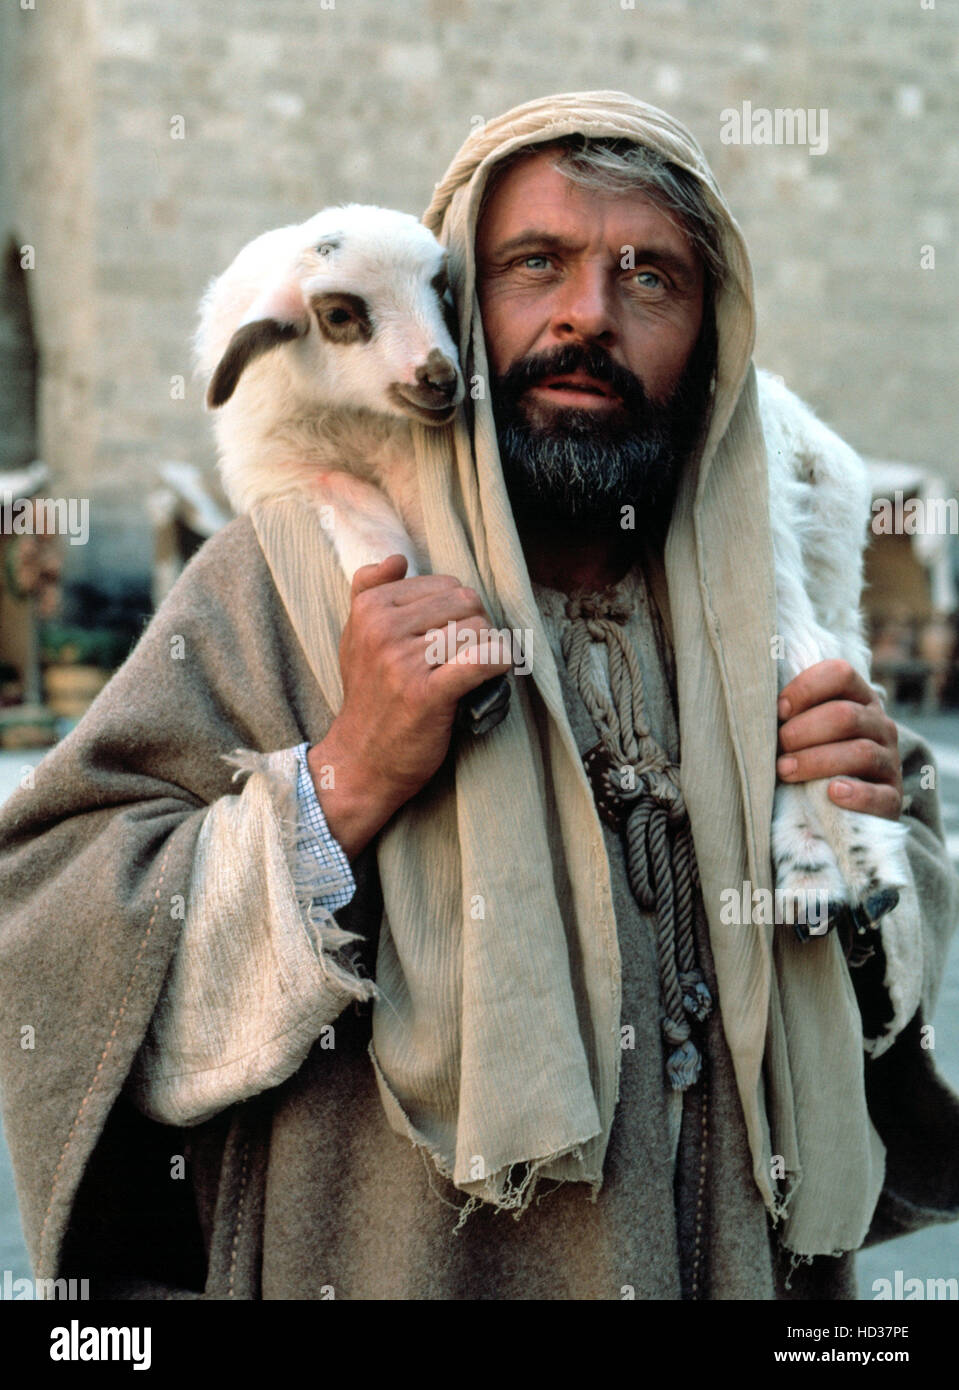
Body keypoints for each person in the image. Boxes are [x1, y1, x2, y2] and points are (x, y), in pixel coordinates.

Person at [1, 91, 957, 1302]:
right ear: (457, 297)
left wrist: (856, 838)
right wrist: (342, 778)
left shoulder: (776, 611)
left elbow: (895, 967)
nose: (585, 315)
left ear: (714, 331)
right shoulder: (286, 578)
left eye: (648, 277)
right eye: (534, 264)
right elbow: (48, 916)